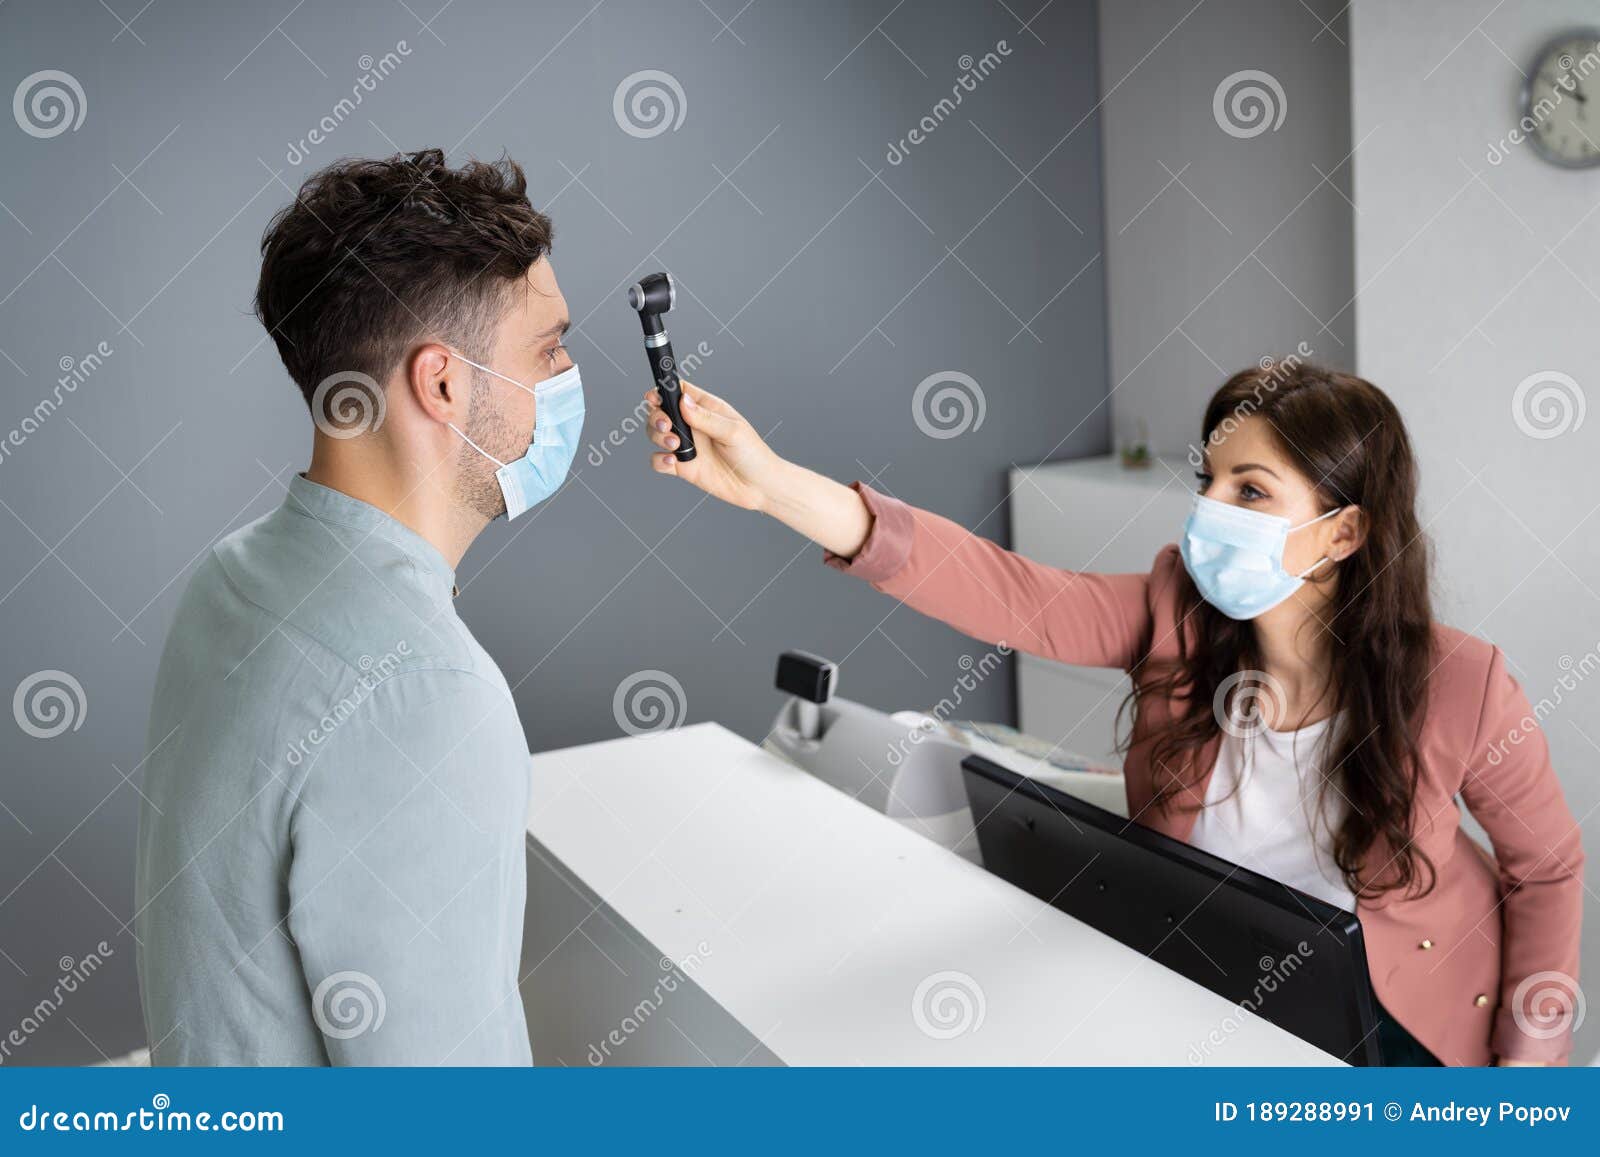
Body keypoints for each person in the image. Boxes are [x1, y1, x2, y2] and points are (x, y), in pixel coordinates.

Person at [643, 361, 1585, 1066]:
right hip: (1207, 991)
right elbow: (1004, 590)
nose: (1208, 510)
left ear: (1342, 531)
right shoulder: (1173, 613)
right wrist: (772, 486)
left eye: (1250, 490)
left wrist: (1524, 1083)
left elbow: (1547, 869)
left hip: (1397, 1021)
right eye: (1207, 480)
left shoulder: (1462, 681)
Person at [135, 149, 579, 1064]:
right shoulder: (428, 693)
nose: (569, 380)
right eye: (550, 350)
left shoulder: (231, 580)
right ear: (444, 383)